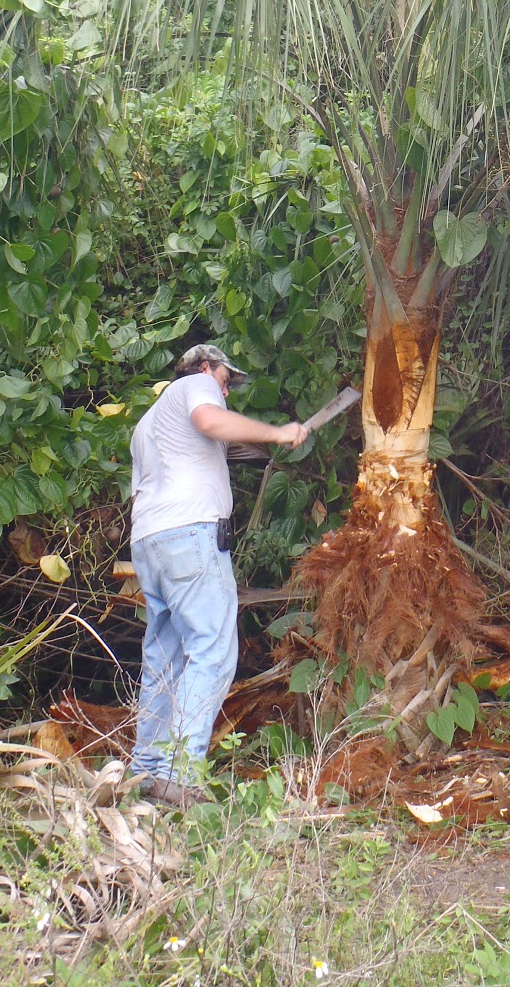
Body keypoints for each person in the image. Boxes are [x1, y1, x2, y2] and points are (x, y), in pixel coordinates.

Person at [127, 342, 307, 807]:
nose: (226, 390)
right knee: (211, 650)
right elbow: (211, 420)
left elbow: (215, 441)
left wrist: (263, 443)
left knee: (164, 658)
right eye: (227, 379)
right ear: (207, 367)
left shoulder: (149, 424)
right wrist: (279, 431)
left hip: (150, 543)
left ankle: (144, 771)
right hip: (189, 536)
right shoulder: (197, 385)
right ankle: (180, 774)